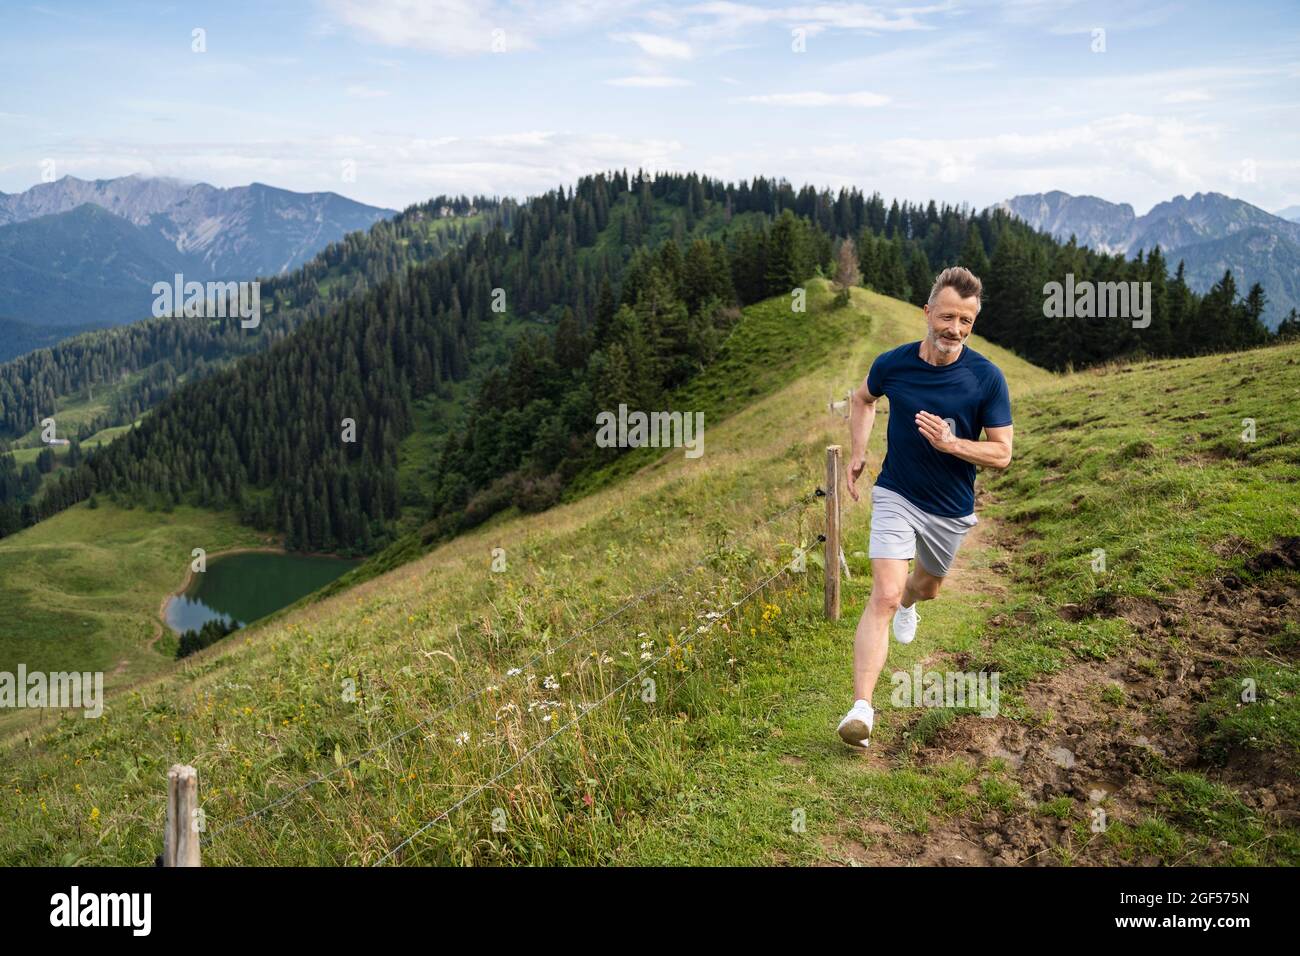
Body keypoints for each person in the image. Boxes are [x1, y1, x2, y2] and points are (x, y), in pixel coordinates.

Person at [836, 266, 1014, 749]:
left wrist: (954, 444)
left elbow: (1002, 453)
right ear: (927, 312)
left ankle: (912, 603)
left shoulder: (986, 378)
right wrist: (857, 455)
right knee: (885, 595)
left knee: (925, 588)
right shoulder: (893, 364)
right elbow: (863, 399)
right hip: (896, 492)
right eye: (948, 317)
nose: (955, 329)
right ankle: (862, 710)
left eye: (966, 322)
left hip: (950, 509)